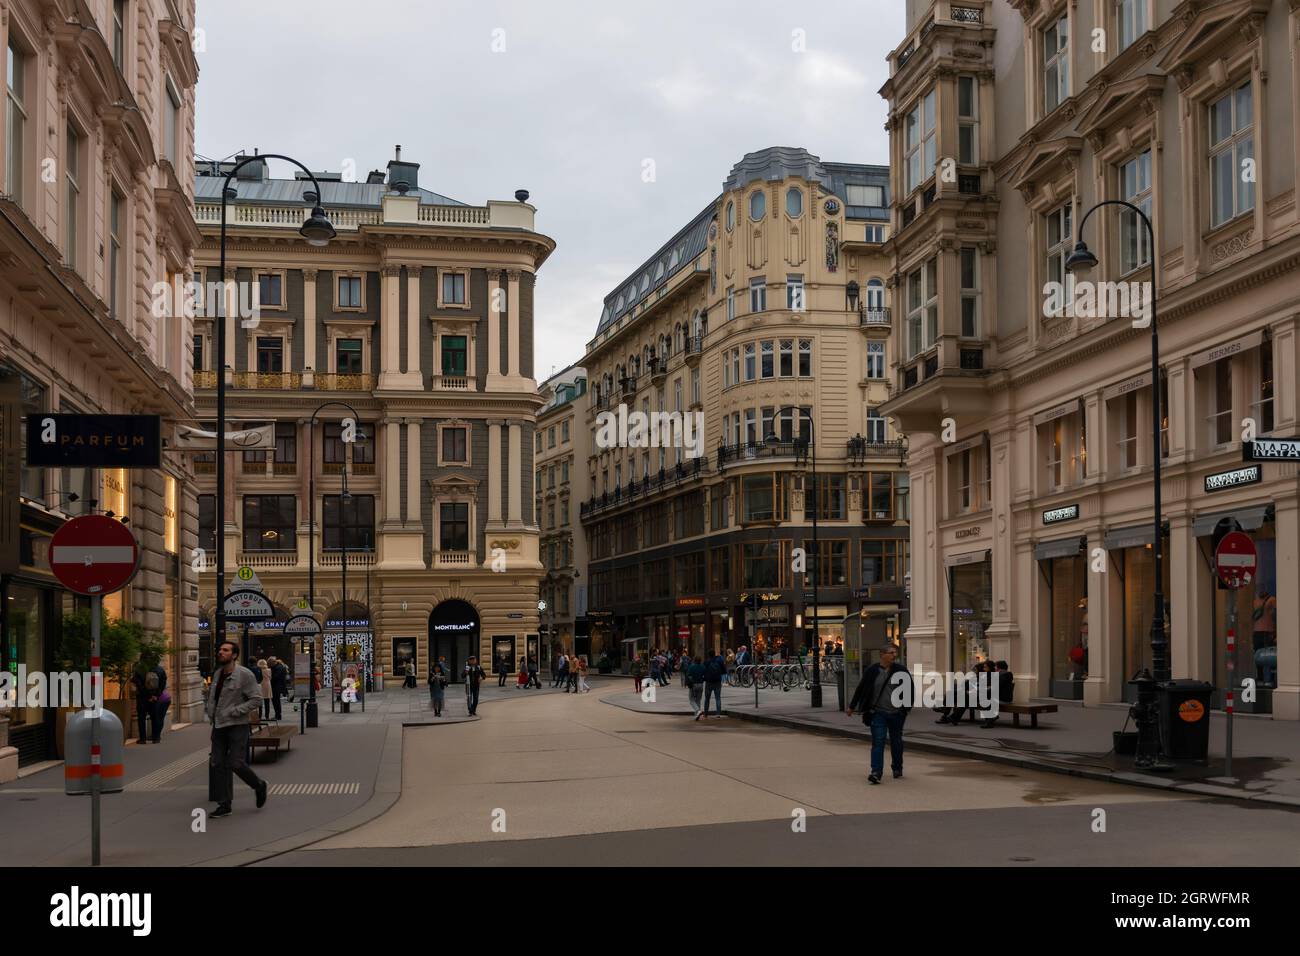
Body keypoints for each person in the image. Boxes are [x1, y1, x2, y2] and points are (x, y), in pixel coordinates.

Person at [203, 640, 267, 817]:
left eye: (225, 650)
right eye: (220, 650)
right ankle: (225, 804)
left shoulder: (244, 675)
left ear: (234, 655)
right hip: (218, 725)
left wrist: (236, 711)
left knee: (236, 763)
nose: (220, 652)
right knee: (217, 763)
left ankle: (258, 785)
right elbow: (214, 698)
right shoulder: (217, 674)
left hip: (237, 725)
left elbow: (256, 699)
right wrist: (211, 713)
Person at [847, 644, 913, 784]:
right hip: (878, 712)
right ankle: (876, 772)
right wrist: (852, 706)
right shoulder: (872, 670)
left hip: (897, 713)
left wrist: (906, 709)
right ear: (882, 654)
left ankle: (897, 767)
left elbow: (910, 689)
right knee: (878, 741)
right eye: (891, 653)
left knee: (896, 741)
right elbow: (861, 688)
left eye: (895, 653)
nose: (894, 655)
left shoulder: (901, 670)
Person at [130, 656, 167, 744]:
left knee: (141, 718)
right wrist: (155, 695)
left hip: (142, 698)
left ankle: (142, 739)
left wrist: (147, 695)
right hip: (154, 698)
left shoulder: (139, 670)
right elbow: (163, 684)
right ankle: (156, 738)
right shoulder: (160, 670)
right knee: (155, 718)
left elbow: (137, 684)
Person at [980, 661, 1015, 728]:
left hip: (1003, 698)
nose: (994, 668)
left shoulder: (1002, 675)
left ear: (999, 667)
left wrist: (986, 689)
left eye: (995, 666)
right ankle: (991, 719)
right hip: (1002, 697)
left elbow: (995, 688)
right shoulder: (1002, 675)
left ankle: (990, 721)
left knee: (984, 702)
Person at [702, 651, 725, 718]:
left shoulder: (706, 662)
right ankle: (718, 713)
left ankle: (706, 713)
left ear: (709, 655)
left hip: (709, 682)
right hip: (717, 681)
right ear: (714, 654)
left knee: (707, 698)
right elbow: (724, 671)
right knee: (718, 698)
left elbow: (703, 671)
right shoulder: (719, 661)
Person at [687, 655, 706, 720]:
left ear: (694, 660)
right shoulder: (703, 667)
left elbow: (689, 676)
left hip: (693, 684)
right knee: (698, 700)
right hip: (700, 684)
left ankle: (698, 711)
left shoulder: (691, 667)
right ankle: (697, 715)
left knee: (691, 699)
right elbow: (705, 675)